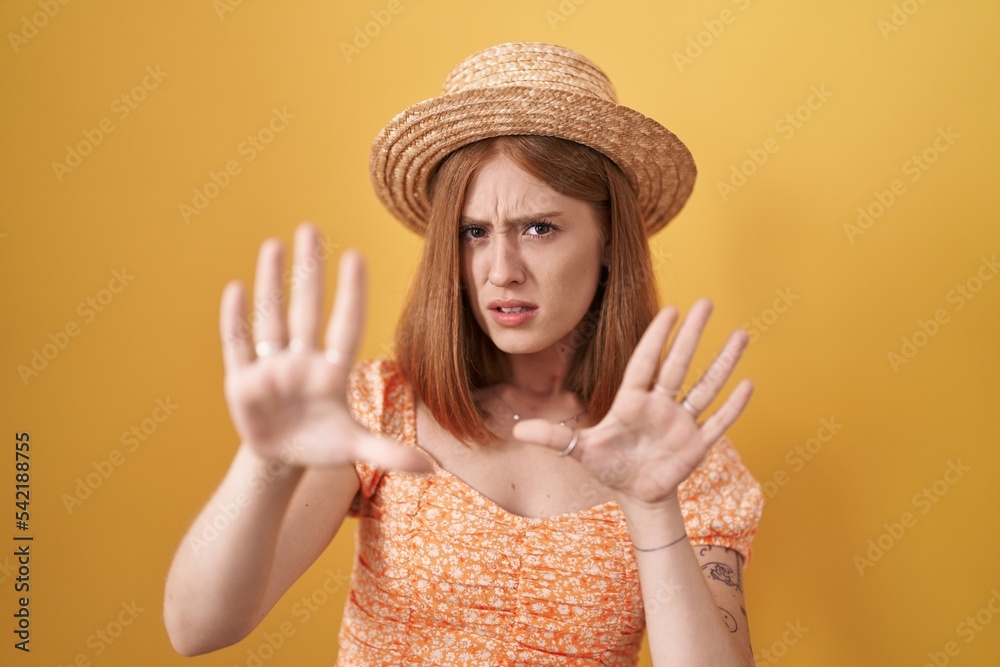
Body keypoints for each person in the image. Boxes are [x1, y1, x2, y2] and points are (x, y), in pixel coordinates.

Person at [164, 42, 764, 666]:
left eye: (540, 228)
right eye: (474, 233)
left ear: (610, 240)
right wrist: (266, 464)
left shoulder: (683, 456)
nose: (501, 271)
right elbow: (197, 628)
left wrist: (653, 509)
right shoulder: (378, 409)